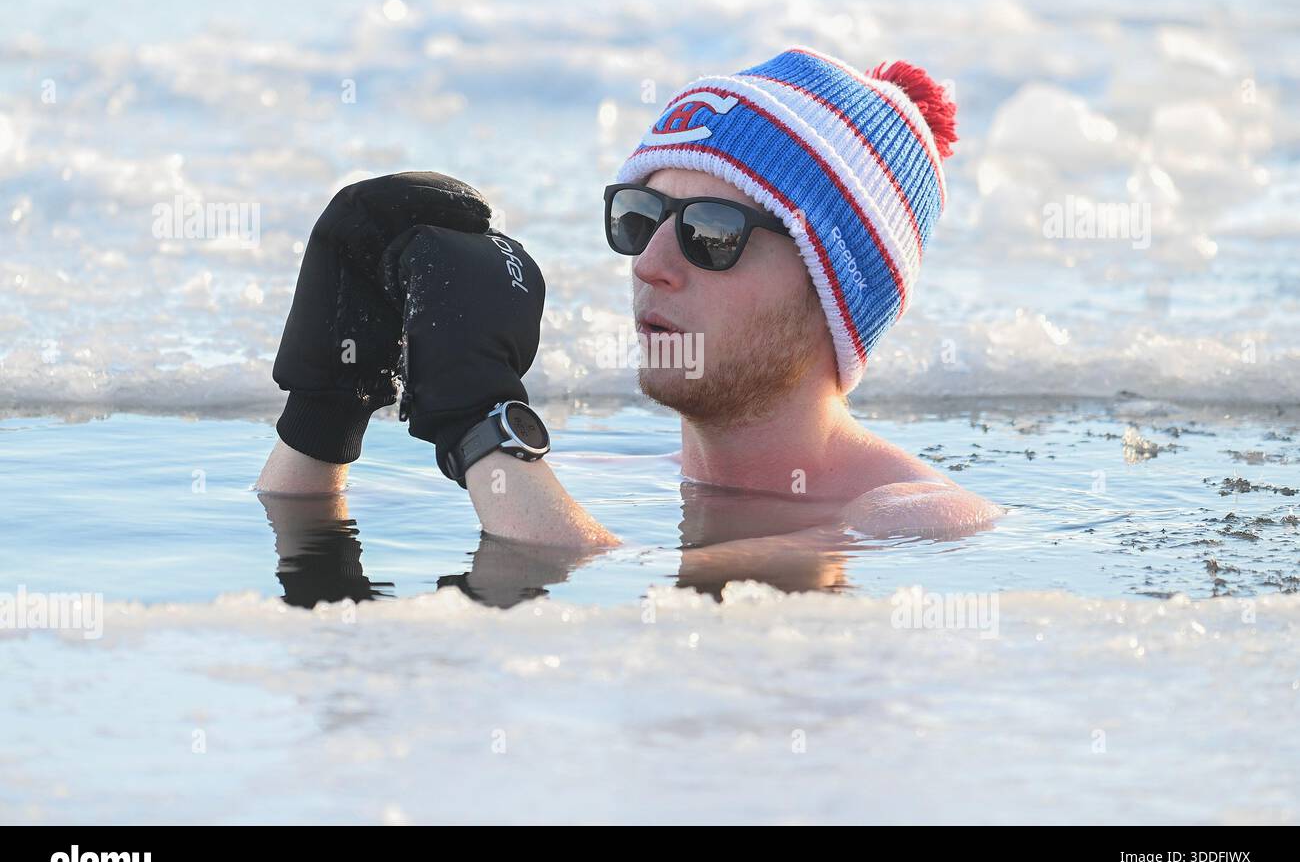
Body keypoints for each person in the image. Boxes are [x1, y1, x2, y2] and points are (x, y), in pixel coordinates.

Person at [255, 46, 1004, 566]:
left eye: (712, 232)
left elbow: (603, 585)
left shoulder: (913, 512)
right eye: (639, 219)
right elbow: (294, 528)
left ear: (833, 293)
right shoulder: (625, 472)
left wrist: (484, 428)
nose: (650, 264)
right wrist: (328, 408)